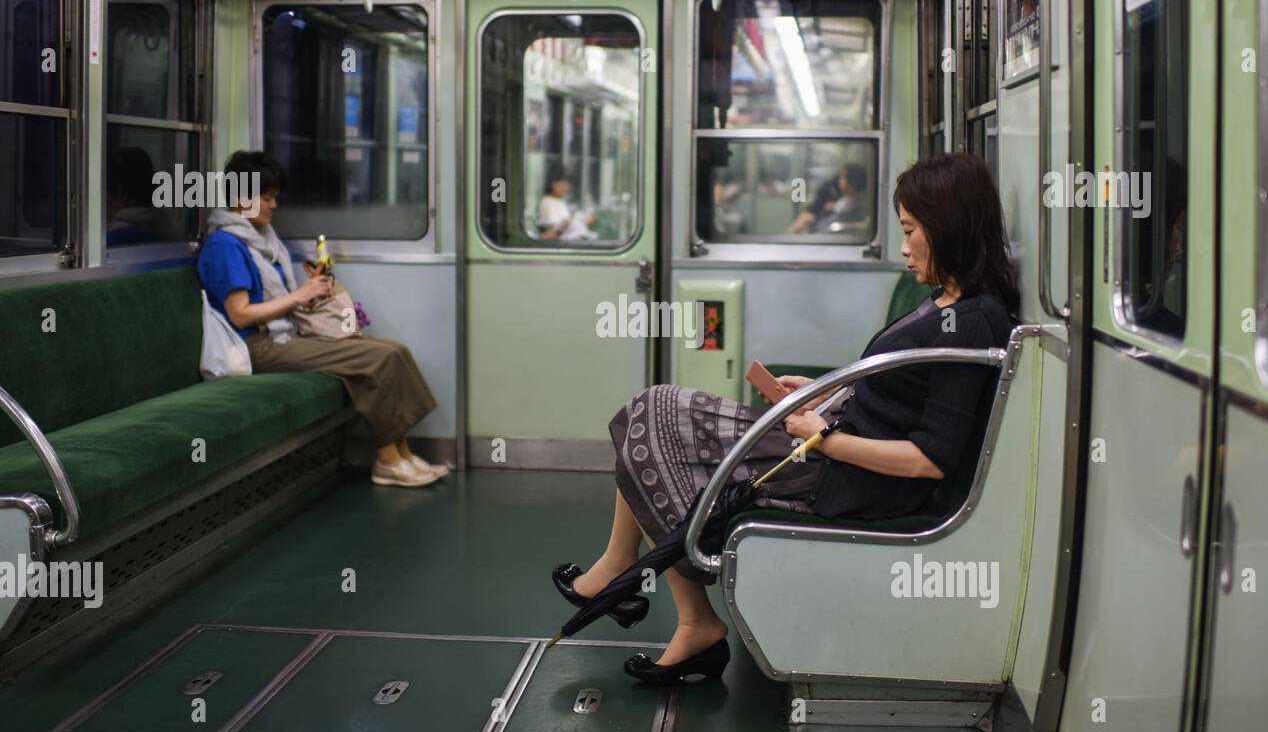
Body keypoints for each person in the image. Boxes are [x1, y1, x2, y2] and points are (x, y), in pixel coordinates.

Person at [553, 152, 1017, 685]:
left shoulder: (970, 324)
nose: (904, 245)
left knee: (653, 415)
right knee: (649, 413)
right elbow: (897, 395)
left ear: (949, 226)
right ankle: (663, 599)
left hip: (843, 477)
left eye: (912, 229)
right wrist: (825, 392)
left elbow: (930, 460)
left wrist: (824, 439)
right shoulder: (948, 301)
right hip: (831, 442)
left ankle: (662, 598)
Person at [196, 150, 448, 489]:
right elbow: (240, 313)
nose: (273, 205)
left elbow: (276, 301)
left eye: (274, 197)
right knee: (377, 359)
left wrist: (311, 291)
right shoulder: (226, 245)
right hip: (257, 346)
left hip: (283, 335)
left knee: (395, 350)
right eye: (266, 197)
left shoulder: (262, 240)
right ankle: (388, 460)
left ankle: (402, 453)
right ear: (241, 197)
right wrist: (298, 297)